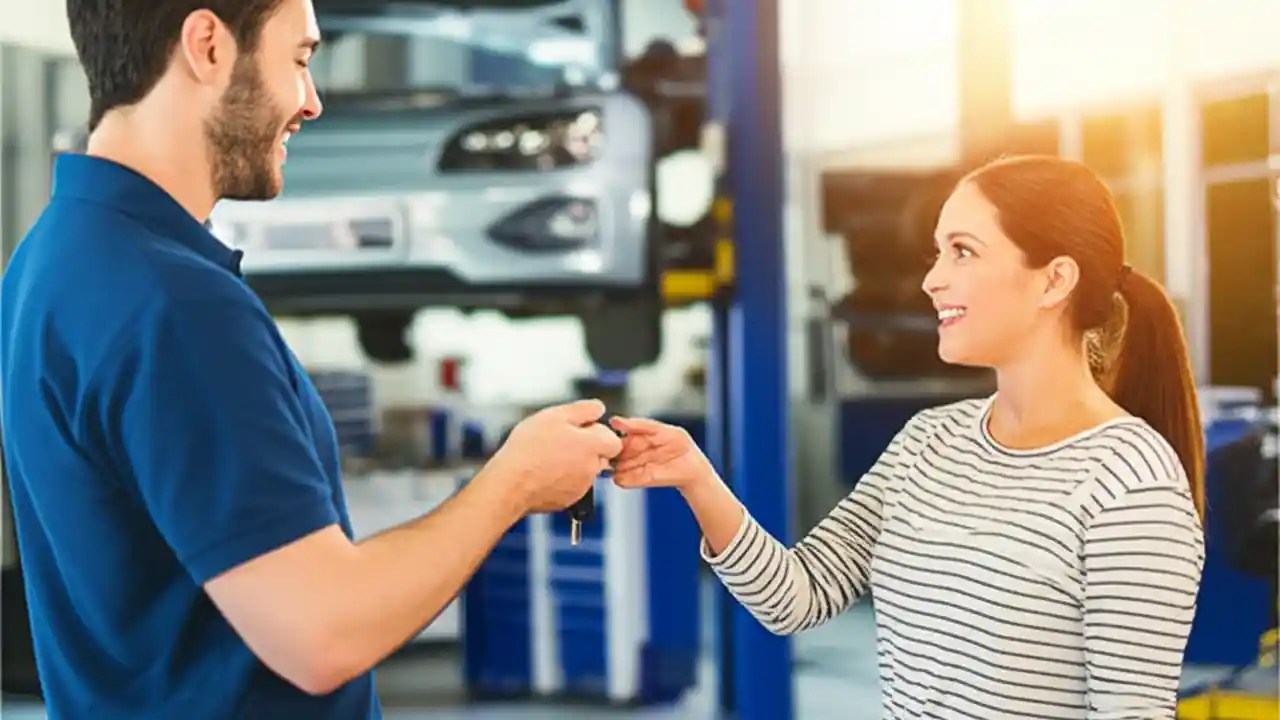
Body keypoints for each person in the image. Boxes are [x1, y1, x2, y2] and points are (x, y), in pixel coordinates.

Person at [0, 1, 621, 718]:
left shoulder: (50, 258)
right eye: (299, 59)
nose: (312, 102)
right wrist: (514, 482)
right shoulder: (175, 304)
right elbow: (322, 633)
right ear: (207, 46)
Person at [610, 155, 1207, 718]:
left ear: (1054, 281)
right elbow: (797, 596)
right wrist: (695, 476)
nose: (932, 281)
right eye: (937, 253)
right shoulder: (929, 443)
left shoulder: (1131, 485)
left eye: (963, 252)